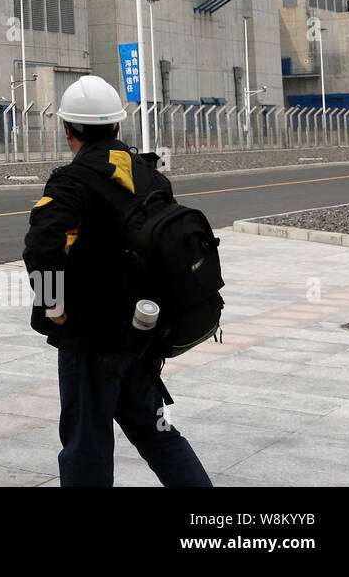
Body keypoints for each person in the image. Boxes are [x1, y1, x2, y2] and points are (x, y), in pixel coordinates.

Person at [23, 74, 211, 487]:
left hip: (91, 340)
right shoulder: (151, 177)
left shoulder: (72, 181)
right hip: (141, 336)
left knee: (86, 448)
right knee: (158, 435)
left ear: (68, 130)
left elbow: (41, 246)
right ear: (118, 126)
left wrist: (53, 305)